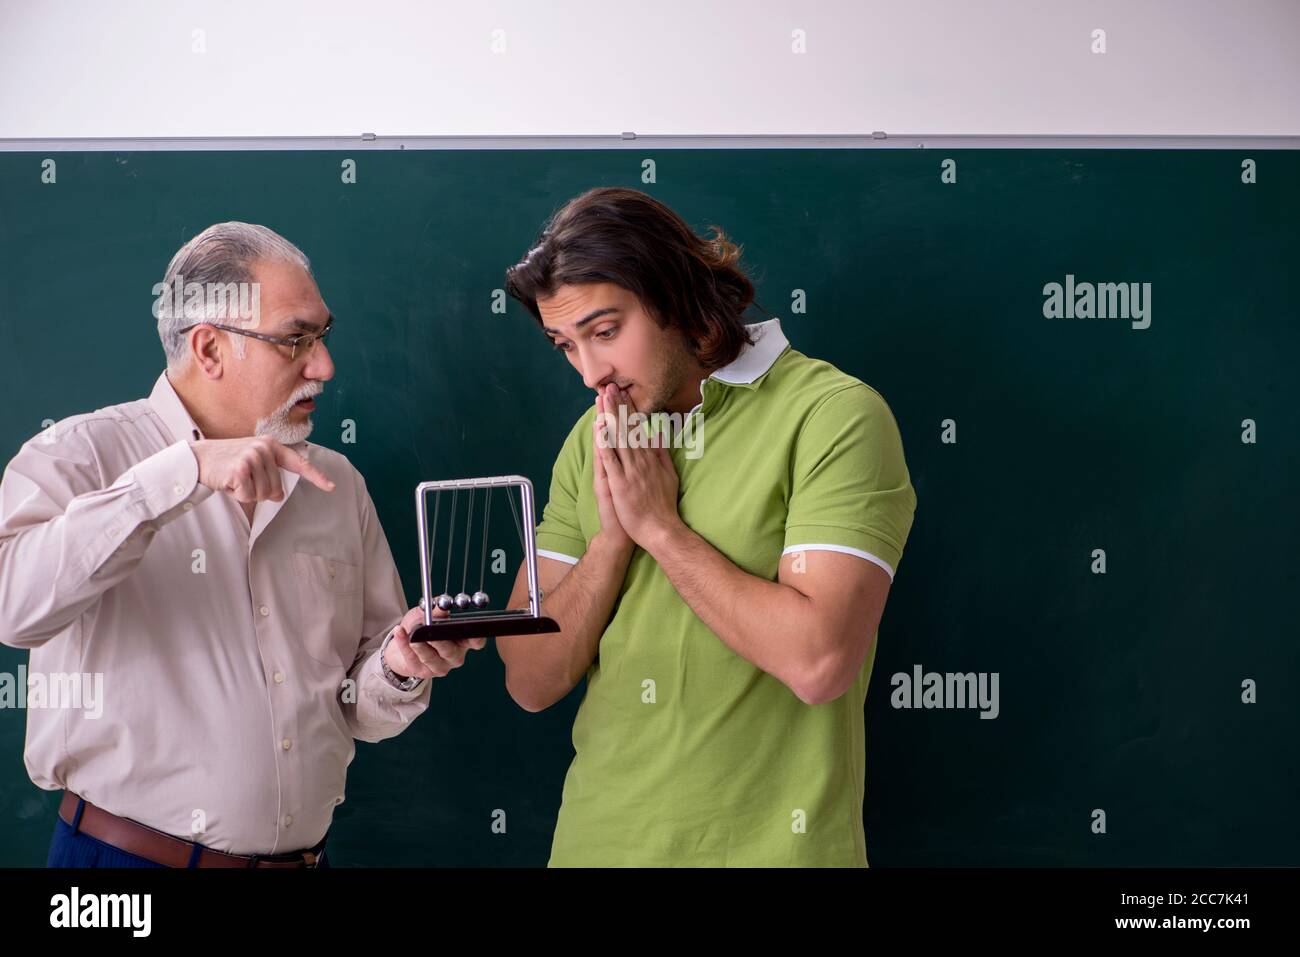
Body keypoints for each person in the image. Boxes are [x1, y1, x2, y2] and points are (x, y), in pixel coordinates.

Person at [0, 221, 482, 868]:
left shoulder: (336, 483)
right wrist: (181, 474)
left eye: (323, 336)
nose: (324, 365)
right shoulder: (78, 455)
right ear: (209, 349)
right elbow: (13, 608)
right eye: (295, 340)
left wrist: (398, 666)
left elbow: (355, 706)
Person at [497, 188, 917, 866]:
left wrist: (662, 529)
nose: (590, 372)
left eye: (605, 332)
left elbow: (818, 662)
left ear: (675, 294)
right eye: (564, 345)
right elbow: (531, 678)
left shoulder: (834, 416)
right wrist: (614, 537)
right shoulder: (593, 438)